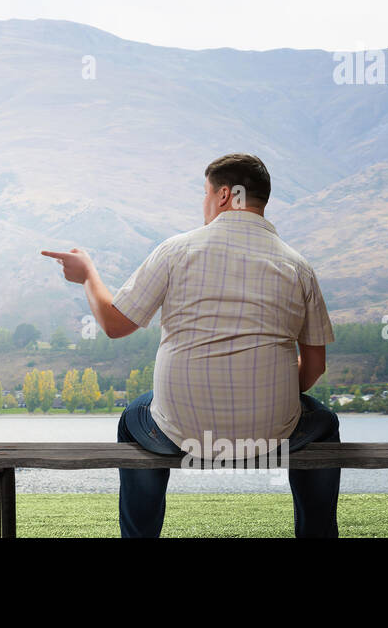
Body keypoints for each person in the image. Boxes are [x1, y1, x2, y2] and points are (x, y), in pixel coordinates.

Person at [41, 153, 341, 538]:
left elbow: (115, 325)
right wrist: (276, 394)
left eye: (204, 193)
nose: (203, 203)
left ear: (223, 195)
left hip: (177, 432)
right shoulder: (298, 266)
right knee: (324, 423)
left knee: (134, 418)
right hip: (273, 433)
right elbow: (315, 367)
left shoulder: (176, 250)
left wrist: (87, 275)